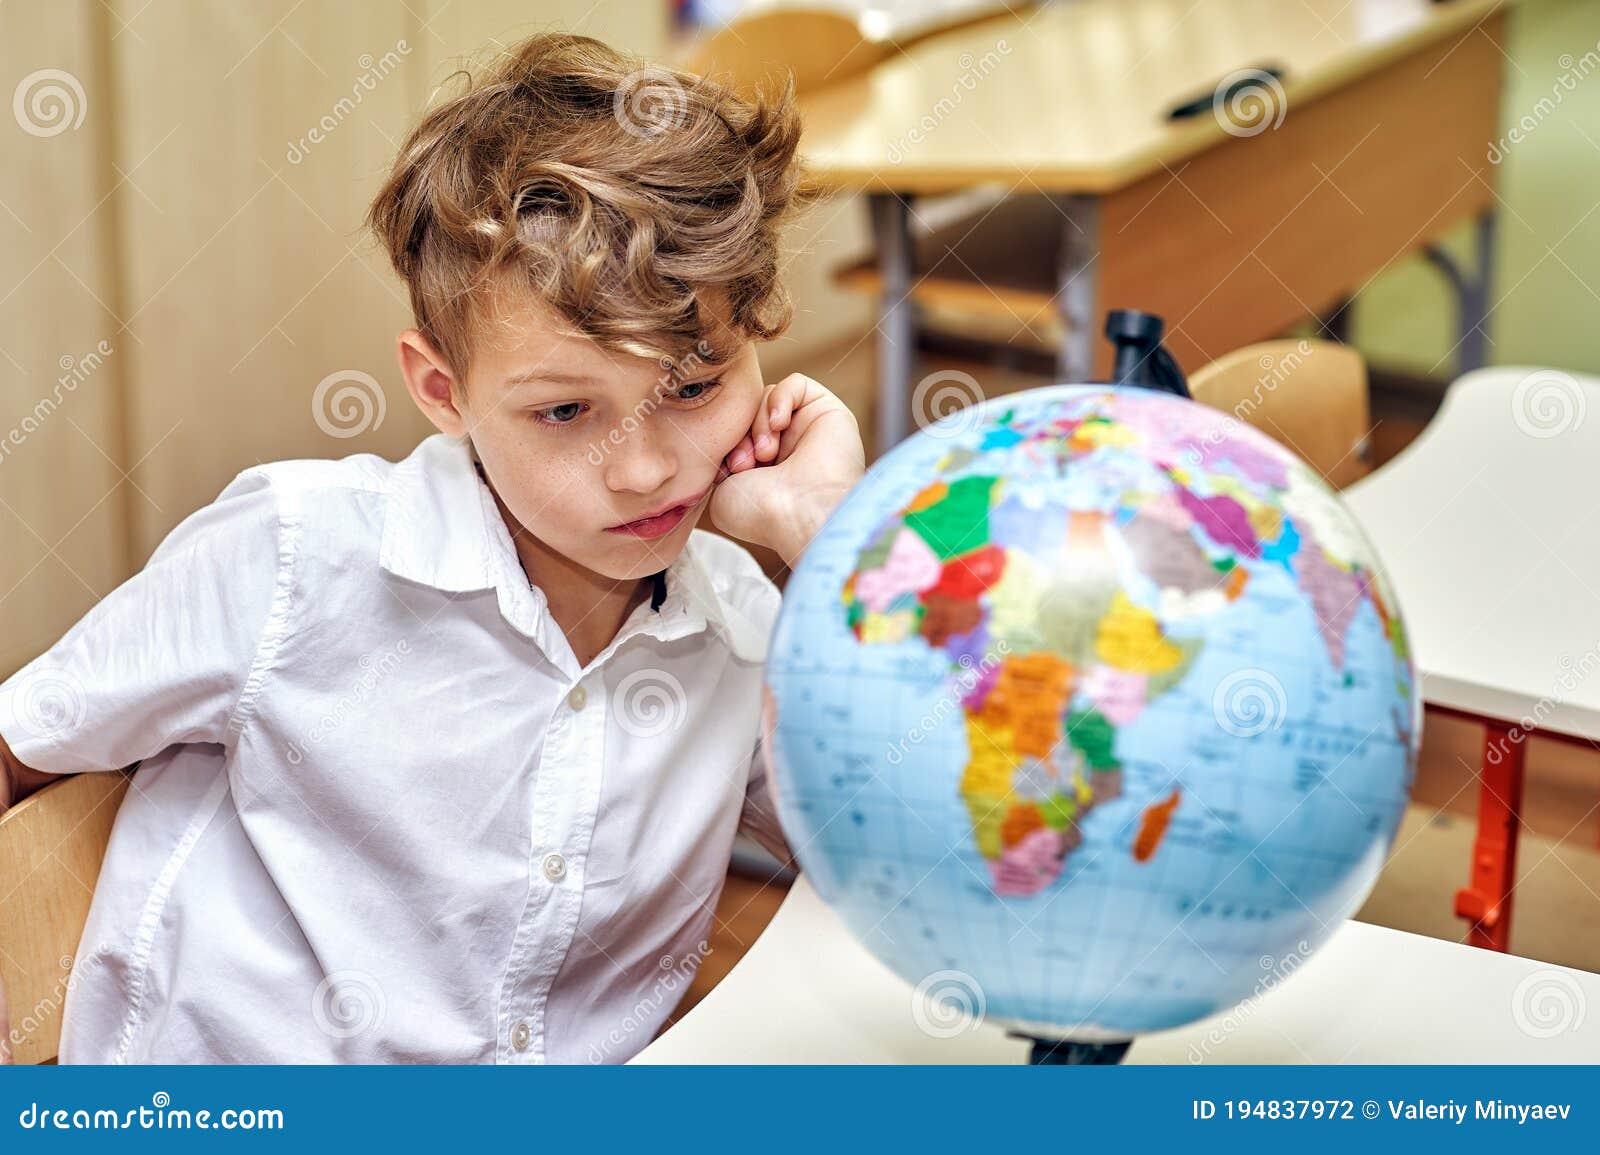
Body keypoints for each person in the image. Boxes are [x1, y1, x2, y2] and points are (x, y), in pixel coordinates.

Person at [0, 31, 864, 1064]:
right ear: (443, 392)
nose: (642, 470)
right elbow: (19, 745)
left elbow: (919, 858)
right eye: (564, 412)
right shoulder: (293, 555)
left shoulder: (748, 625)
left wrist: (829, 535)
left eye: (692, 387)